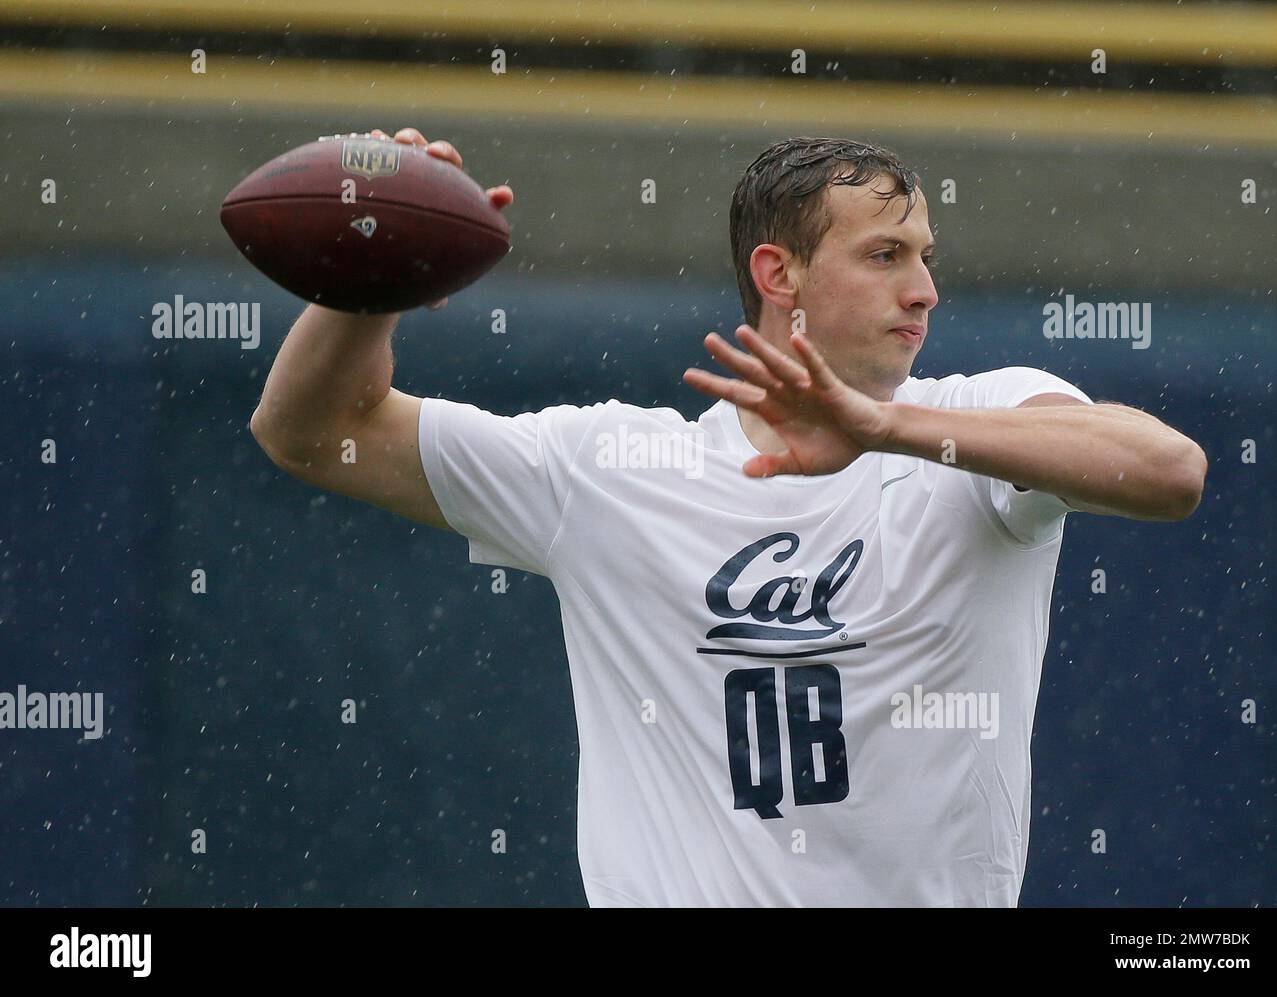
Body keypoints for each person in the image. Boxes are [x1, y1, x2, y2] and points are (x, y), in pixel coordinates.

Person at [250, 128, 1208, 907]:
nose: (925, 289)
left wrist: (887, 428)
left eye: (924, 256)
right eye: (884, 254)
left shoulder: (974, 424)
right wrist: (368, 275)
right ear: (777, 273)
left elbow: (1170, 471)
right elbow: (312, 429)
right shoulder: (615, 467)